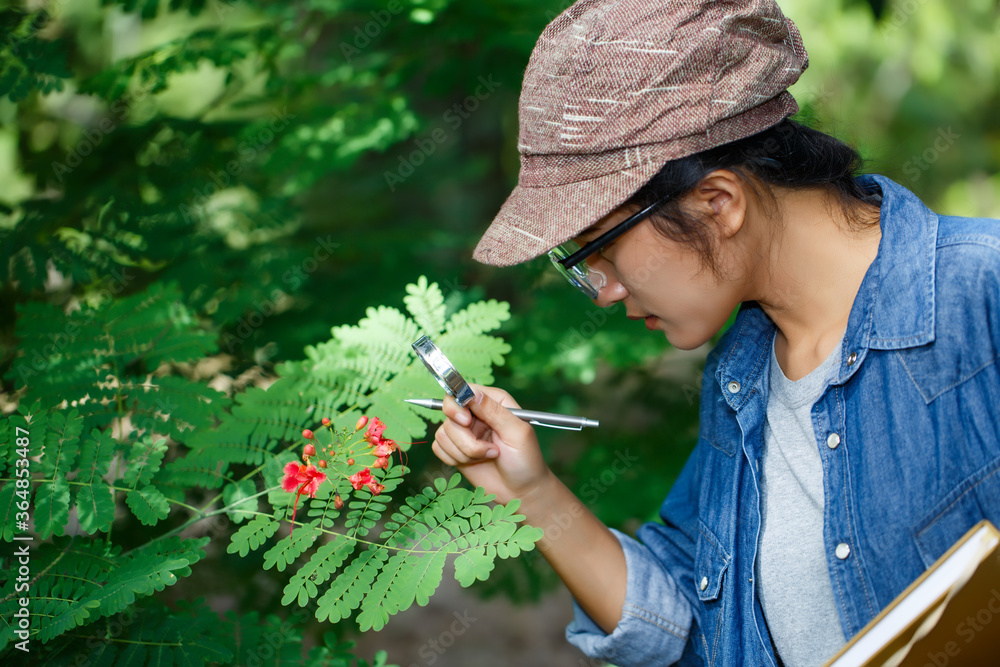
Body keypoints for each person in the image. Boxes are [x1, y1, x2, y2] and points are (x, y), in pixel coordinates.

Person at [430, 0, 1000, 665]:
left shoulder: (980, 298)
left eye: (600, 251)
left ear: (718, 203)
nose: (604, 290)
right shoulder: (744, 373)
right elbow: (690, 625)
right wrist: (530, 490)